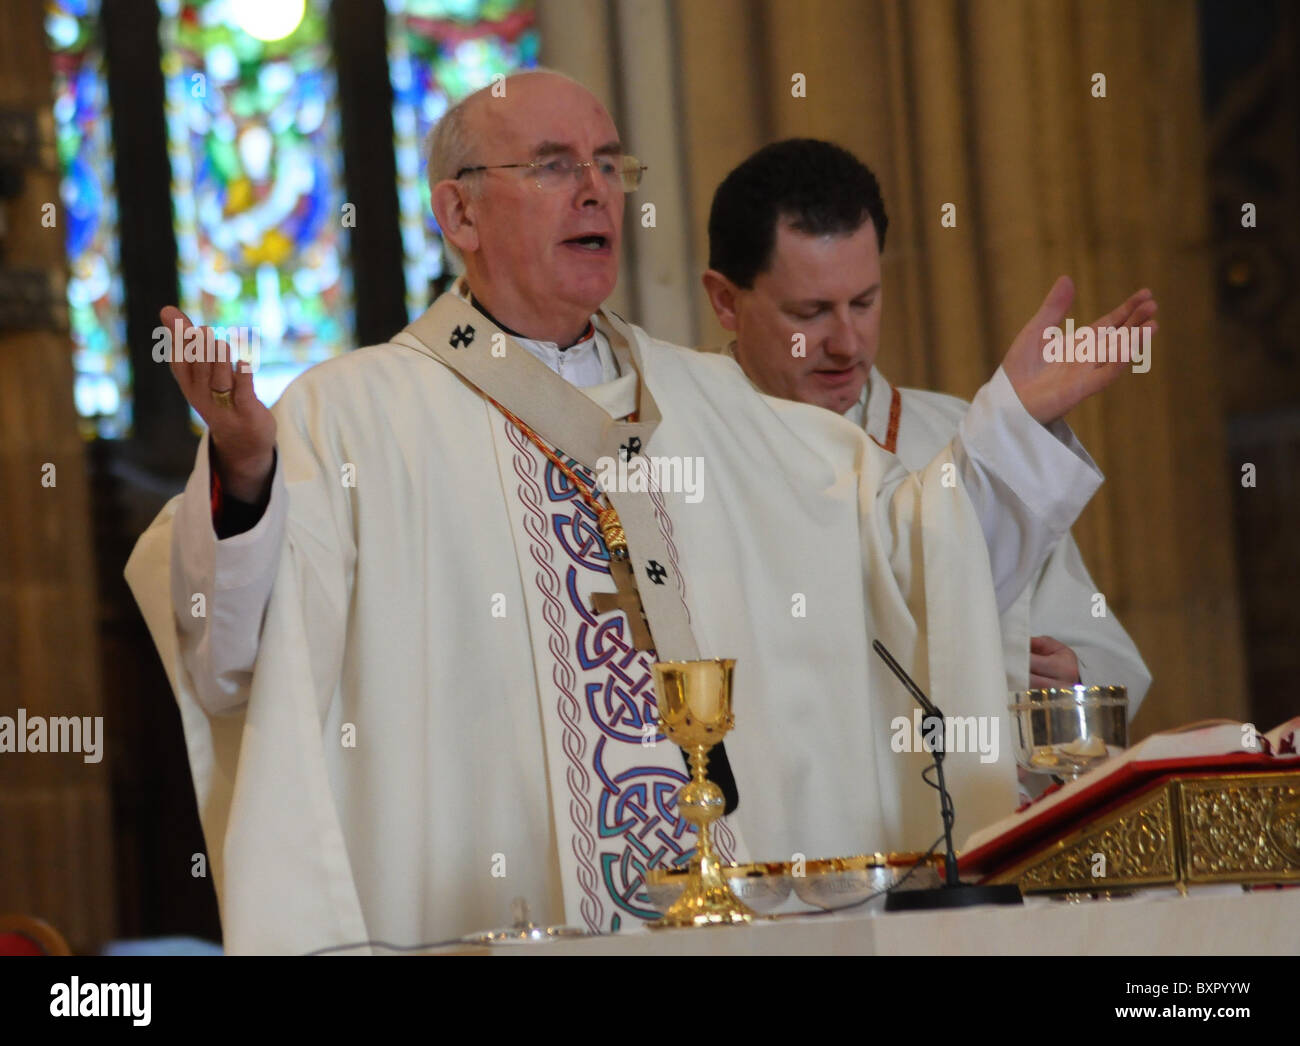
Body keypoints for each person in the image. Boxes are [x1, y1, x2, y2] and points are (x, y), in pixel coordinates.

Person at [126, 73, 1152, 953]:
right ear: (459, 215)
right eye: (552, 163)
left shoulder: (721, 406)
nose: (595, 188)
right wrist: (248, 471)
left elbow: (915, 559)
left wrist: (1014, 420)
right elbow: (233, 659)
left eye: (611, 163)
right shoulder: (351, 418)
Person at [701, 138, 1153, 723]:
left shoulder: (970, 437)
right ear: (726, 302)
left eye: (863, 302)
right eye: (809, 313)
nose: (846, 342)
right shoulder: (687, 451)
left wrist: (1075, 681)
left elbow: (1100, 656)